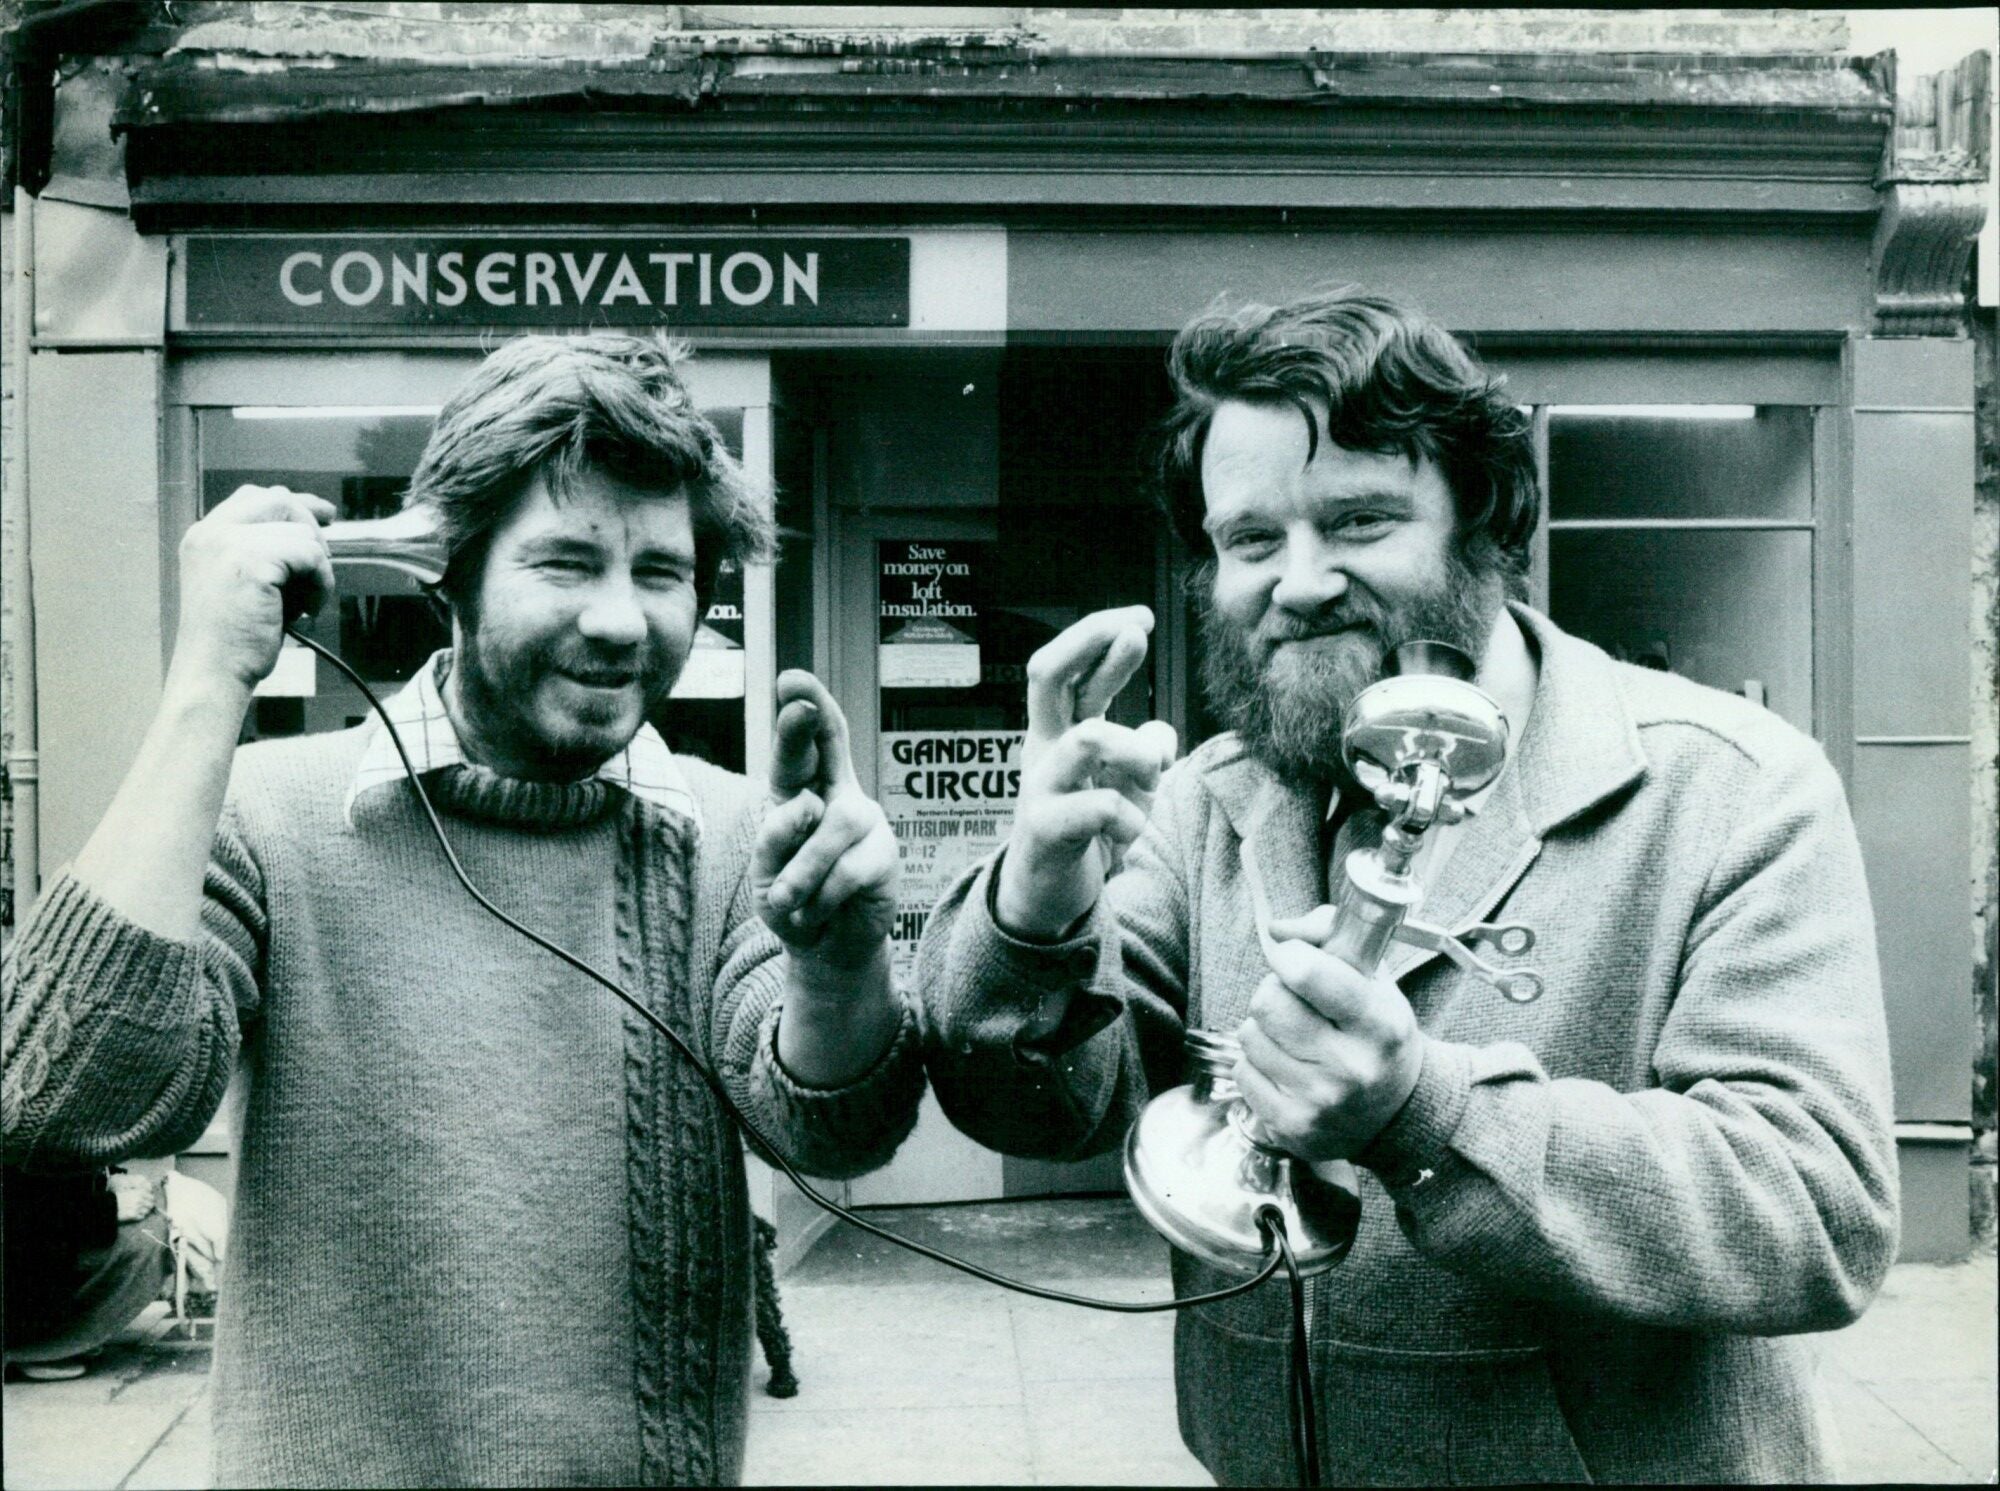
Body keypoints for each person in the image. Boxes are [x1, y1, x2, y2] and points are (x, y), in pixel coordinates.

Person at [915, 290, 1899, 1485]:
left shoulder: (1726, 788)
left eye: (1360, 520)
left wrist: (1429, 1117)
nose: (1299, 581)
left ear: (1478, 525)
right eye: (1251, 540)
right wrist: (1034, 902)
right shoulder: (1208, 799)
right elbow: (1036, 1109)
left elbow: (1818, 1213)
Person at [2, 333, 923, 1486]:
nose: (622, 622)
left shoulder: (735, 832)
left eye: (660, 571)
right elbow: (59, 1105)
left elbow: (835, 1134)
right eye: (566, 563)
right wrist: (206, 684)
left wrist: (838, 968)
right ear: (446, 568)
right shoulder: (262, 818)